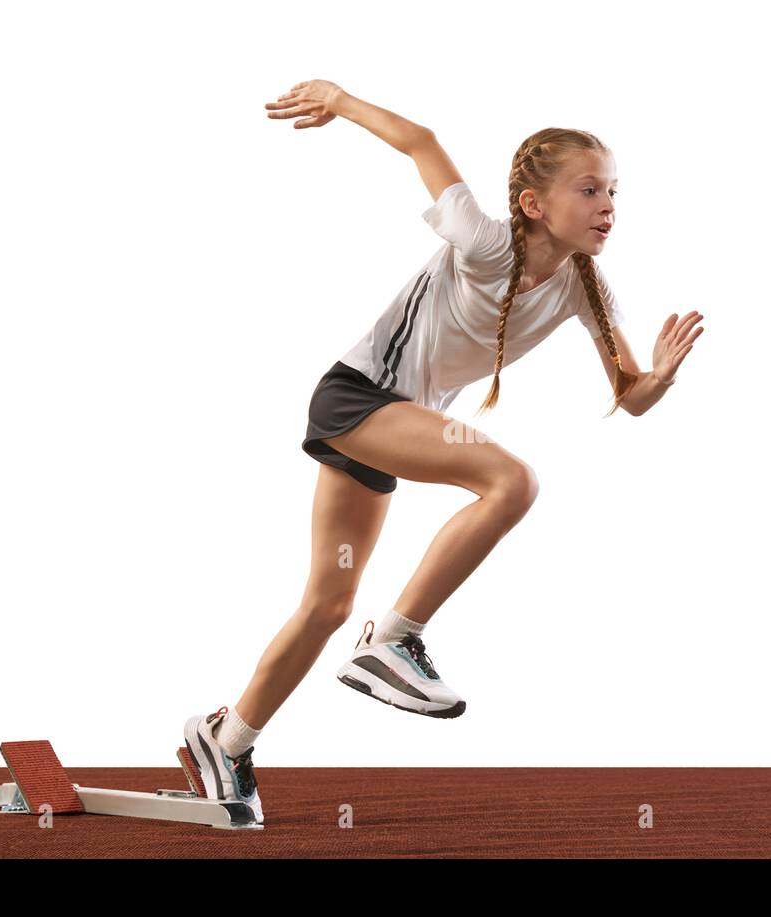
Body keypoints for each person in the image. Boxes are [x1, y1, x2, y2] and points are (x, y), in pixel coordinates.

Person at [182, 80, 705, 825]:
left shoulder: (587, 288)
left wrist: (660, 373)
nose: (608, 204)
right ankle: (394, 640)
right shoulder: (487, 239)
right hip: (358, 399)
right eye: (589, 188)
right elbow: (422, 141)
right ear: (533, 203)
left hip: (389, 429)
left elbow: (631, 396)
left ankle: (226, 738)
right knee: (512, 480)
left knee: (327, 601)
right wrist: (338, 98)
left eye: (614, 190)